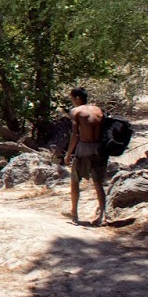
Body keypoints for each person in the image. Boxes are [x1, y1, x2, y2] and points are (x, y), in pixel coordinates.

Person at [64, 86, 109, 226]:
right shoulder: (98, 110)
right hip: (100, 148)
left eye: (72, 99)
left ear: (77, 98)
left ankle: (74, 213)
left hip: (84, 148)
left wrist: (68, 154)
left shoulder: (76, 111)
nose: (72, 102)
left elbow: (75, 135)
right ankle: (103, 215)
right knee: (98, 183)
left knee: (75, 180)